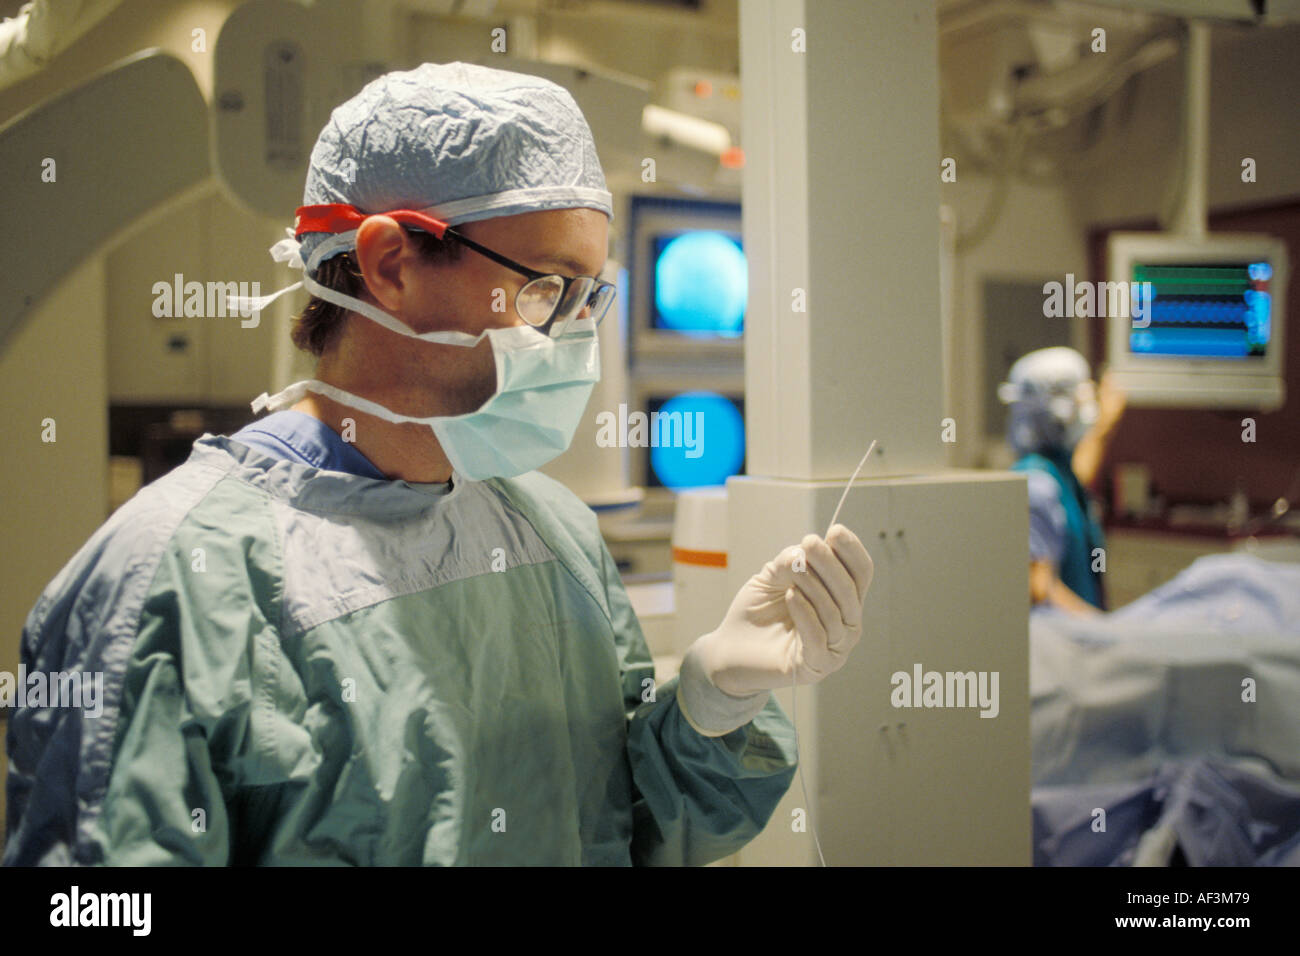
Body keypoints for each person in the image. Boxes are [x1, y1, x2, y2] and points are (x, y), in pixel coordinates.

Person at [3, 62, 874, 866]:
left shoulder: (550, 534)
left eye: (587, 298)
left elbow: (626, 826)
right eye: (544, 289)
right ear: (390, 264)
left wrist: (711, 704)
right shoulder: (167, 581)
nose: (570, 335)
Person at [998, 346, 1125, 616]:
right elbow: (1039, 588)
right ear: (1061, 411)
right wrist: (1105, 629)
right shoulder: (1035, 485)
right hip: (1060, 646)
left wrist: (1105, 426)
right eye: (1083, 397)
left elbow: (1073, 483)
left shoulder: (1055, 473)